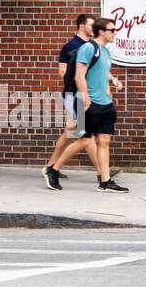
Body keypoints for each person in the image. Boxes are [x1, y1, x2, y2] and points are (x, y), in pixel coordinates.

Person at [50, 17, 128, 192]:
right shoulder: (87, 48)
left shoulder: (105, 52)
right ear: (102, 32)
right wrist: (85, 98)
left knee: (104, 141)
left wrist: (114, 80)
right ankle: (53, 169)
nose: (115, 33)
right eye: (112, 30)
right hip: (87, 102)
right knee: (84, 140)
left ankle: (105, 181)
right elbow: (79, 76)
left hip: (105, 103)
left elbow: (103, 71)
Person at [44, 13, 100, 190]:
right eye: (92, 25)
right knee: (85, 134)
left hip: (82, 96)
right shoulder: (71, 46)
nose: (95, 28)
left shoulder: (91, 46)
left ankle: (50, 166)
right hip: (73, 96)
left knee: (70, 132)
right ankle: (101, 172)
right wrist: (80, 90)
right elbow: (62, 71)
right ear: (82, 26)